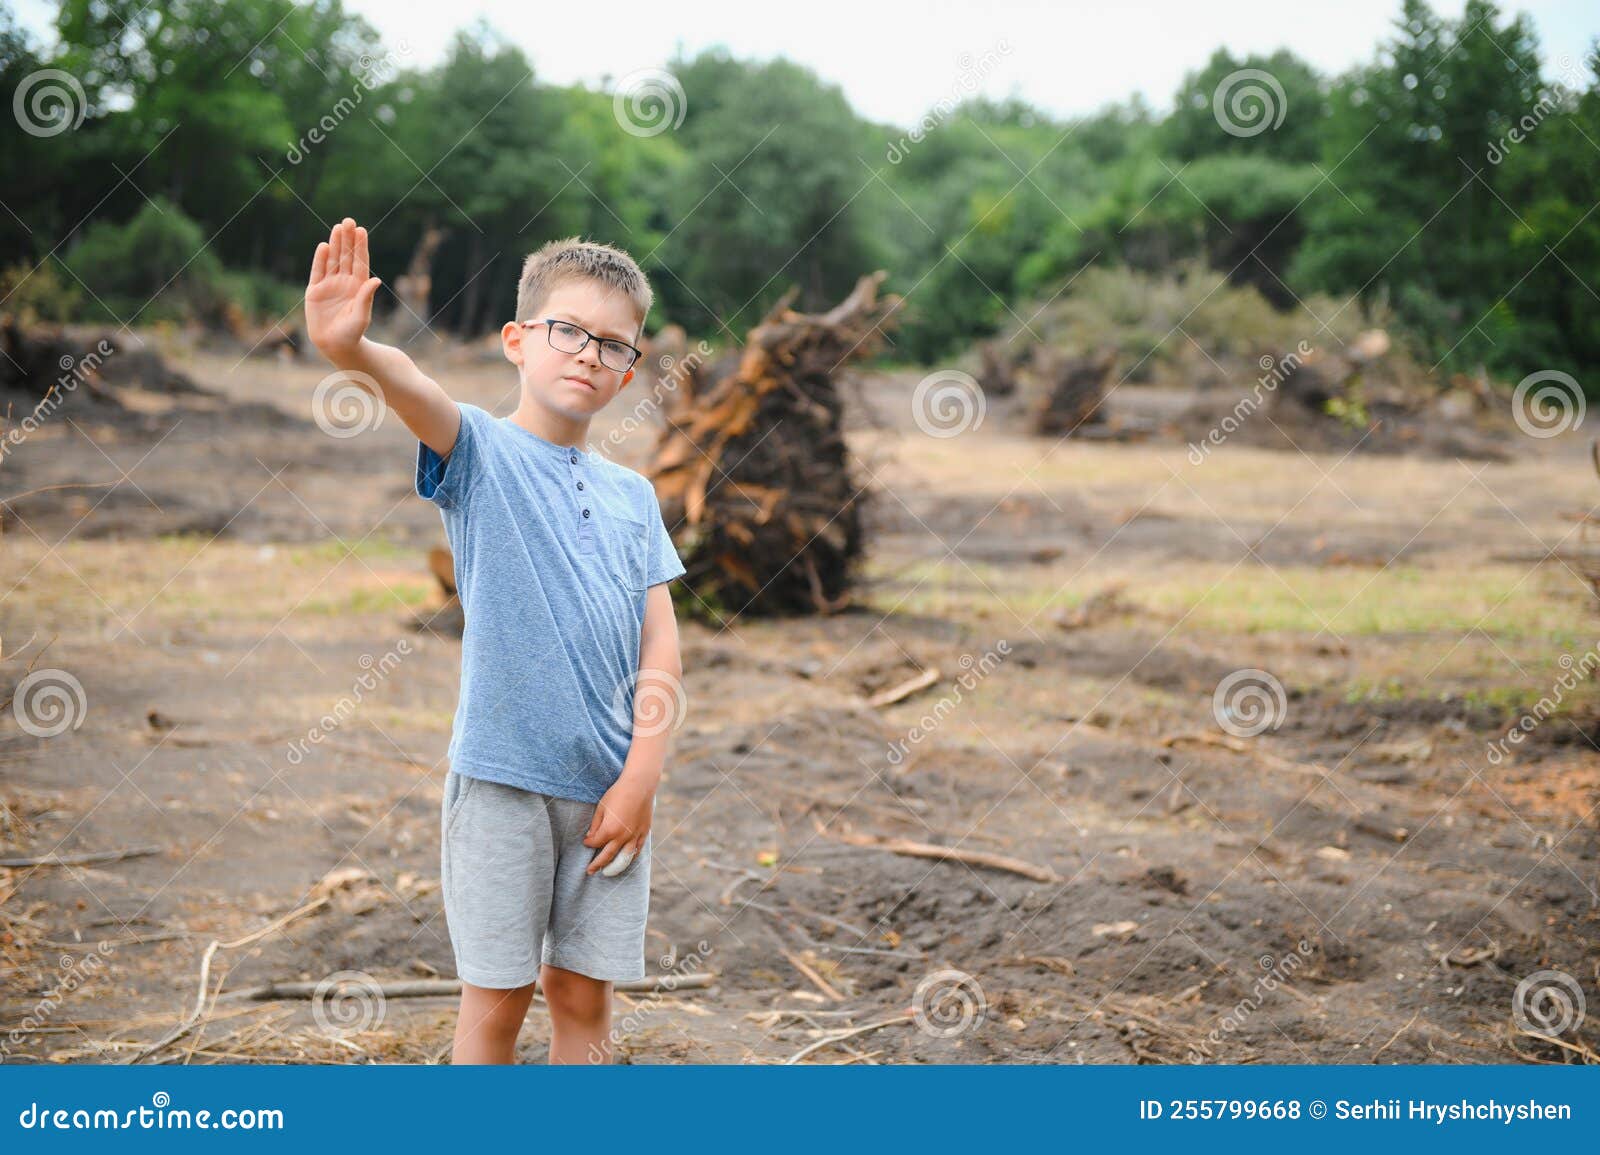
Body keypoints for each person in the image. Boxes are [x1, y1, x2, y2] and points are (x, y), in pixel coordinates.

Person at [304, 217, 686, 1064]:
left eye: (614, 345)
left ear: (629, 370)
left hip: (609, 795)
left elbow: (661, 642)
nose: (590, 354)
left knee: (582, 993)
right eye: (569, 332)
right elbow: (420, 392)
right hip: (502, 782)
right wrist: (354, 353)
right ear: (518, 340)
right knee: (500, 998)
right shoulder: (480, 451)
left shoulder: (633, 497)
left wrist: (641, 777)